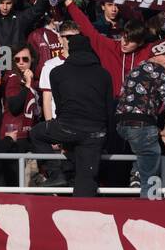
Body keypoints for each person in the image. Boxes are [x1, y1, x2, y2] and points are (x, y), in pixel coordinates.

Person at [28, 34, 111, 198]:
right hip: (95, 132)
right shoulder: (104, 74)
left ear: (71, 50)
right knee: (86, 178)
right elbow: (108, 109)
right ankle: (83, 215)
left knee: (36, 133)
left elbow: (59, 106)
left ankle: (55, 172)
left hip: (67, 127)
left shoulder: (57, 73)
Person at [114, 40, 165, 199]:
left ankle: (135, 173)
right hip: (141, 125)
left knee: (141, 150)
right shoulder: (157, 72)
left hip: (121, 125)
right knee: (150, 175)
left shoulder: (134, 71)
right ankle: (148, 210)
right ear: (154, 56)